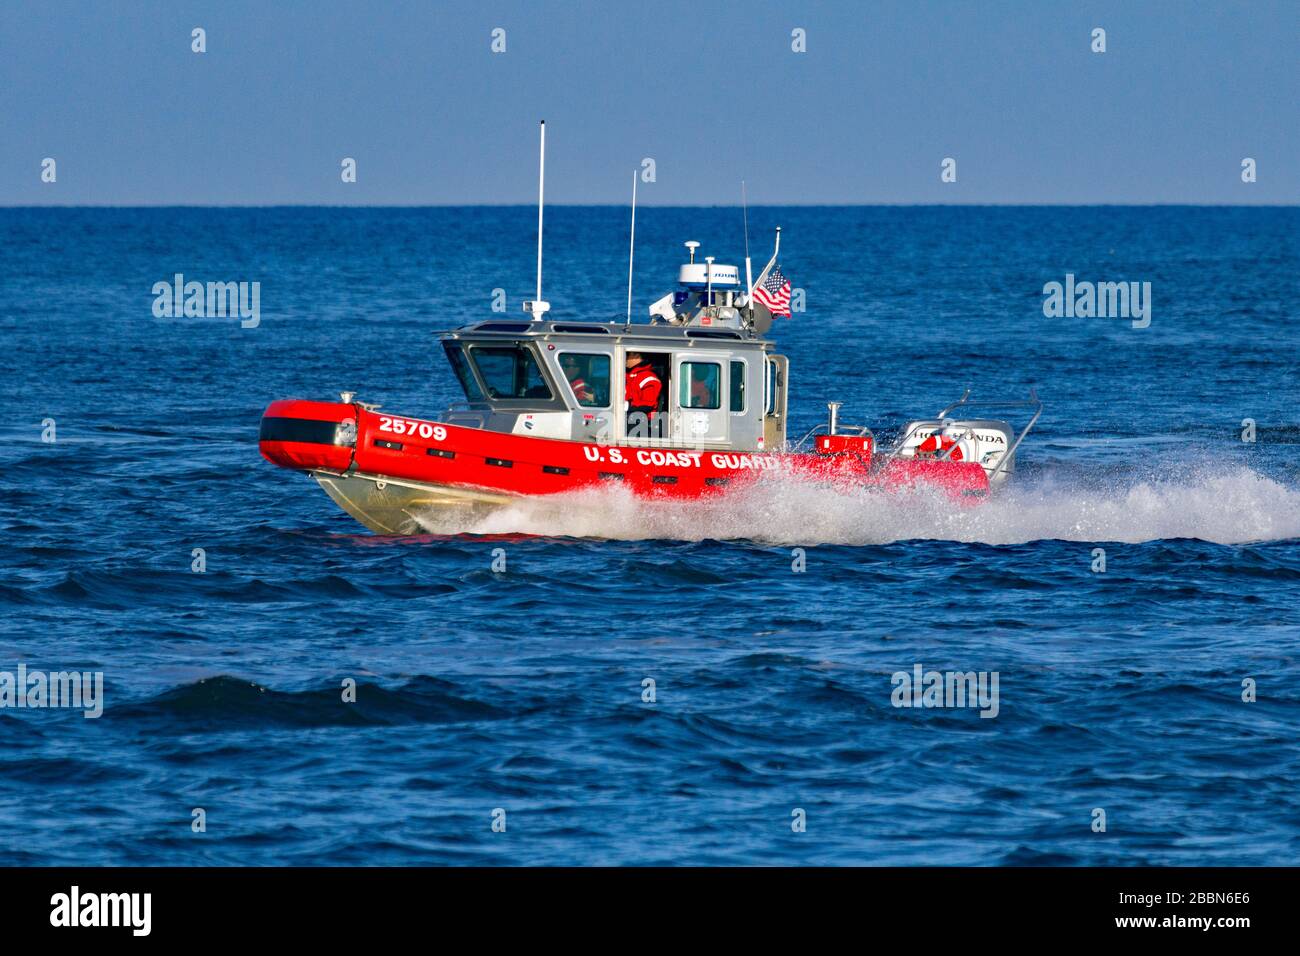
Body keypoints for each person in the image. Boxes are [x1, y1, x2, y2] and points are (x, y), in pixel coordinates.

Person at [625, 351, 662, 431]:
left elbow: (648, 404)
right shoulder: (626, 375)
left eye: (628, 355)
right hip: (627, 416)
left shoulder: (649, 378)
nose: (625, 358)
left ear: (637, 357)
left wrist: (626, 406)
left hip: (643, 422)